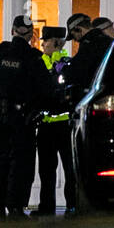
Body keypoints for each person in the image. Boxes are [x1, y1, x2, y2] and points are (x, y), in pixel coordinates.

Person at [0, 15, 53, 220]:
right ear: (31, 34)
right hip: (21, 119)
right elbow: (47, 90)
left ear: (13, 30)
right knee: (20, 163)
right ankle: (14, 207)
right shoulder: (33, 58)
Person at [33, 25, 77, 216]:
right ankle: (46, 207)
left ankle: (72, 205)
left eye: (46, 41)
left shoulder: (67, 64)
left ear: (57, 43)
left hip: (65, 125)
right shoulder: (39, 63)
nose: (42, 44)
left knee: (70, 169)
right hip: (45, 125)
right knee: (46, 171)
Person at [62, 13, 114, 103]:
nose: (75, 40)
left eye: (73, 35)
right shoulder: (108, 40)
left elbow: (78, 70)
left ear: (78, 29)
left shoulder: (88, 44)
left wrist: (64, 69)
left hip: (95, 96)